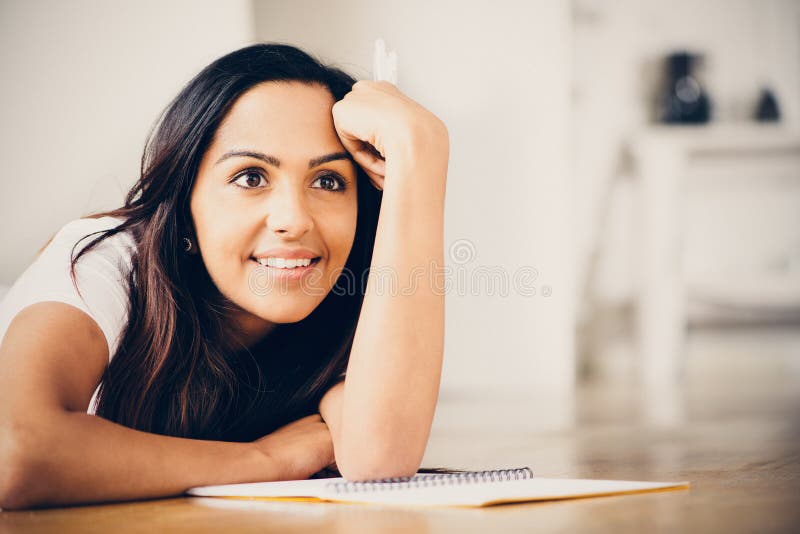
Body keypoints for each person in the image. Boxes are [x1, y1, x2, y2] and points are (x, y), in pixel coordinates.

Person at [0, 43, 448, 510]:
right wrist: (264, 459)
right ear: (185, 201)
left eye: (328, 181)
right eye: (251, 177)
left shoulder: (346, 295)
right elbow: (17, 455)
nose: (294, 220)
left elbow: (378, 458)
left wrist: (420, 154)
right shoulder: (105, 260)